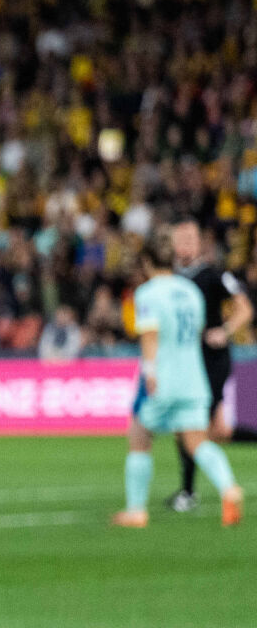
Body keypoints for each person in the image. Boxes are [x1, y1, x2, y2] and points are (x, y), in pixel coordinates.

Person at [114, 238, 244, 528]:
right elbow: (196, 331)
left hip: (164, 376)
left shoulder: (147, 293)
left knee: (139, 437)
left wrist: (150, 372)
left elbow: (150, 335)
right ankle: (229, 488)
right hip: (194, 378)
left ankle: (136, 511)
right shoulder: (190, 291)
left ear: (147, 263)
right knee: (197, 441)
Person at [166, 219, 254, 512]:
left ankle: (188, 493)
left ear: (200, 242)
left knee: (188, 426)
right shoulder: (170, 278)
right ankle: (191, 491)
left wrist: (225, 332)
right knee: (220, 432)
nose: (187, 244)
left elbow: (245, 308)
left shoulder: (214, 274)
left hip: (212, 362)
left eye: (192, 238)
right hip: (186, 362)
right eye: (182, 238)